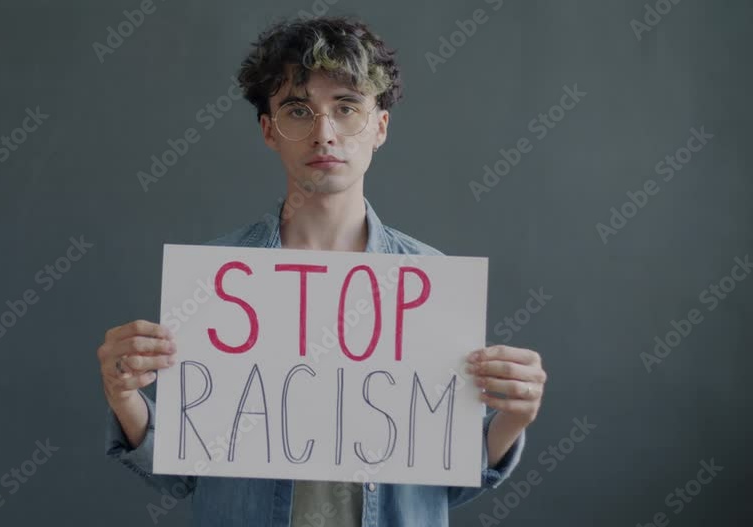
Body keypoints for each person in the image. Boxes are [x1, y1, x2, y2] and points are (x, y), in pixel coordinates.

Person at [97, 15, 548, 526]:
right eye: (297, 110)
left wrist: (512, 417)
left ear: (379, 127)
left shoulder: (431, 282)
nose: (324, 134)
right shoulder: (216, 283)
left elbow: (442, 481)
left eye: (347, 108)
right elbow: (183, 474)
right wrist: (126, 397)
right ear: (269, 130)